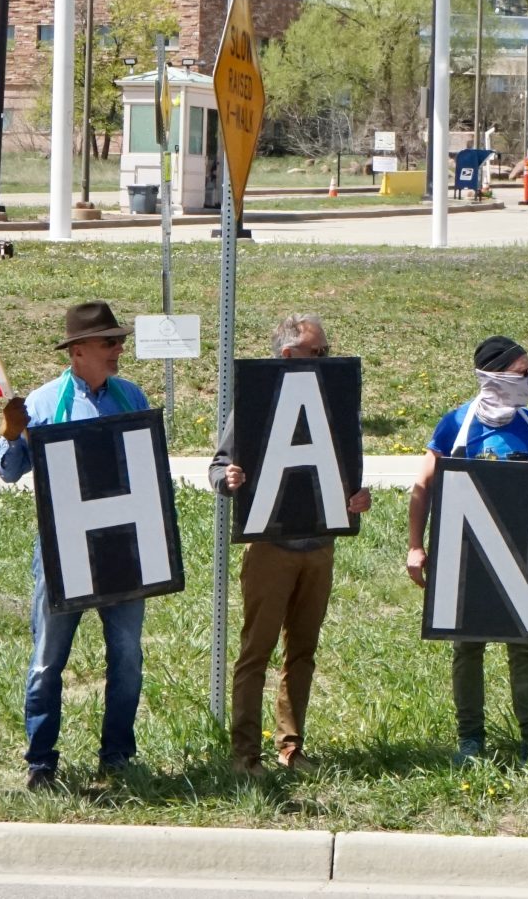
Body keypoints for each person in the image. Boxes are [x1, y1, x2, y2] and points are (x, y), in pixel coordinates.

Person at [0, 300, 151, 791]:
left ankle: (117, 758)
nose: (118, 349)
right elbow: (8, 472)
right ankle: (41, 762)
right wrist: (12, 436)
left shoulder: (132, 398)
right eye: (109, 342)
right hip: (63, 551)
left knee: (126, 657)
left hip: (123, 548)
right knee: (48, 659)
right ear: (77, 351)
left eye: (120, 340)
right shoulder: (41, 404)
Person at [212, 312, 372, 773]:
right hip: (271, 548)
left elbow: (346, 469)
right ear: (289, 355)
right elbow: (218, 465)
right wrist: (229, 478)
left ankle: (291, 746)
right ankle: (245, 753)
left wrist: (356, 497)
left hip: (320, 546)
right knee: (255, 652)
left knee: (303, 650)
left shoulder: (335, 404)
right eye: (318, 352)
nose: (326, 359)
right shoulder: (258, 403)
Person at [407, 335, 528, 766]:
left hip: (519, 559)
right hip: (466, 557)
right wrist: (415, 546)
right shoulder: (455, 424)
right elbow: (423, 486)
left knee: (524, 646)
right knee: (468, 647)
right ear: (494, 375)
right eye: (522, 371)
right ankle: (470, 739)